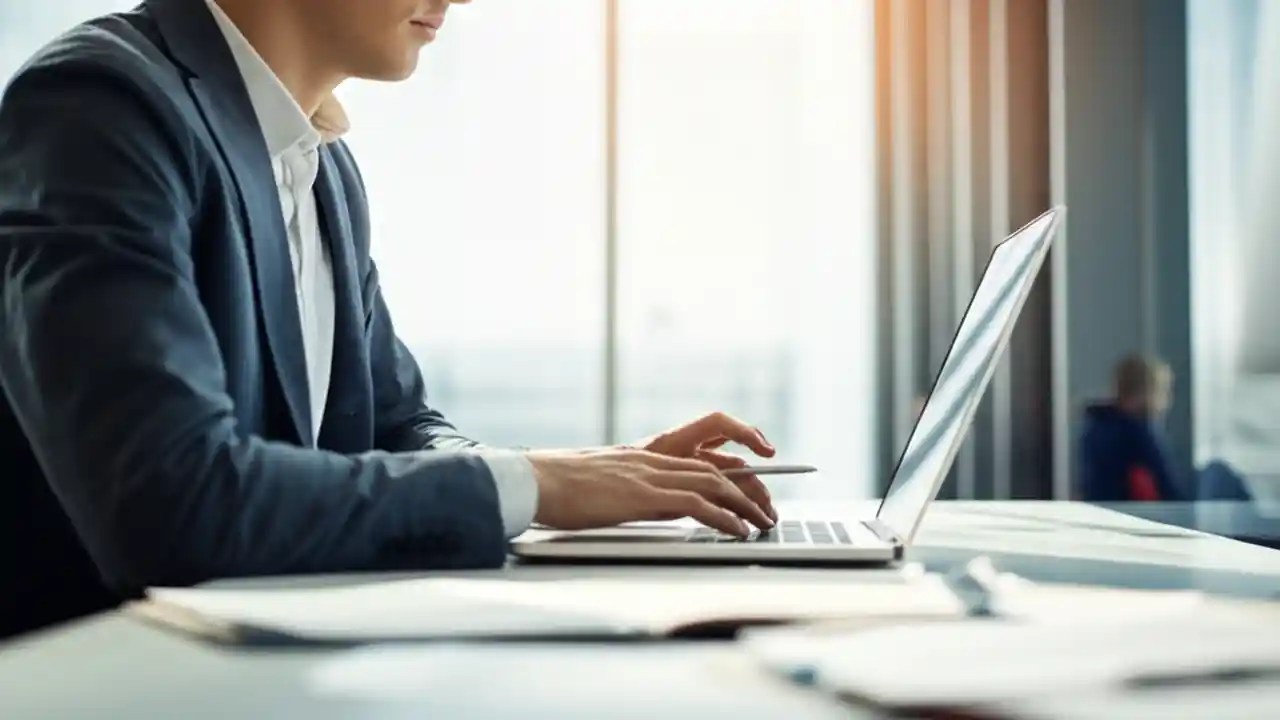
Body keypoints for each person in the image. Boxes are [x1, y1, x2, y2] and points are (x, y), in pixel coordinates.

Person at [0, 0, 780, 638]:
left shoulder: (321, 163)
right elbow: (172, 503)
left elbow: (395, 423)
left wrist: (593, 477)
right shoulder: (97, 111)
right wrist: (534, 486)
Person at [1078, 355, 1181, 502]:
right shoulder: (1140, 431)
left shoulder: (1097, 424)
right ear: (1148, 393)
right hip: (1136, 515)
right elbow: (1167, 485)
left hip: (1099, 510)